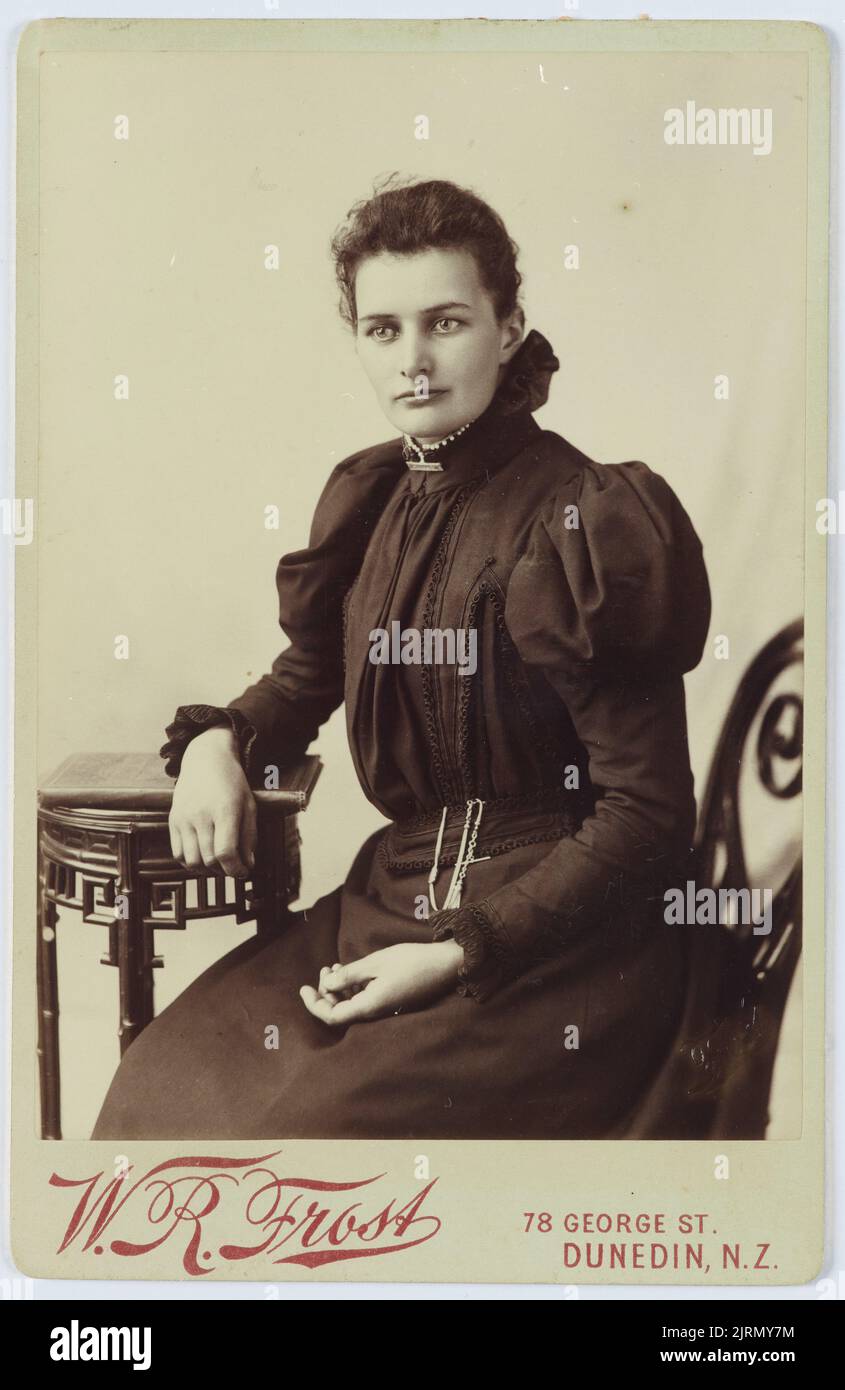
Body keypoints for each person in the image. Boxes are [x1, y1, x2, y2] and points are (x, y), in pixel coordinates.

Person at [92, 175, 711, 1141]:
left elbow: (648, 815)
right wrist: (220, 740)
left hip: (565, 944)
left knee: (303, 1140)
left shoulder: (584, 516)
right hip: (388, 906)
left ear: (508, 329)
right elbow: (307, 676)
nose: (413, 362)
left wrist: (464, 950)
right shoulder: (377, 497)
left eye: (446, 322)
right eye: (382, 330)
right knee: (159, 1091)